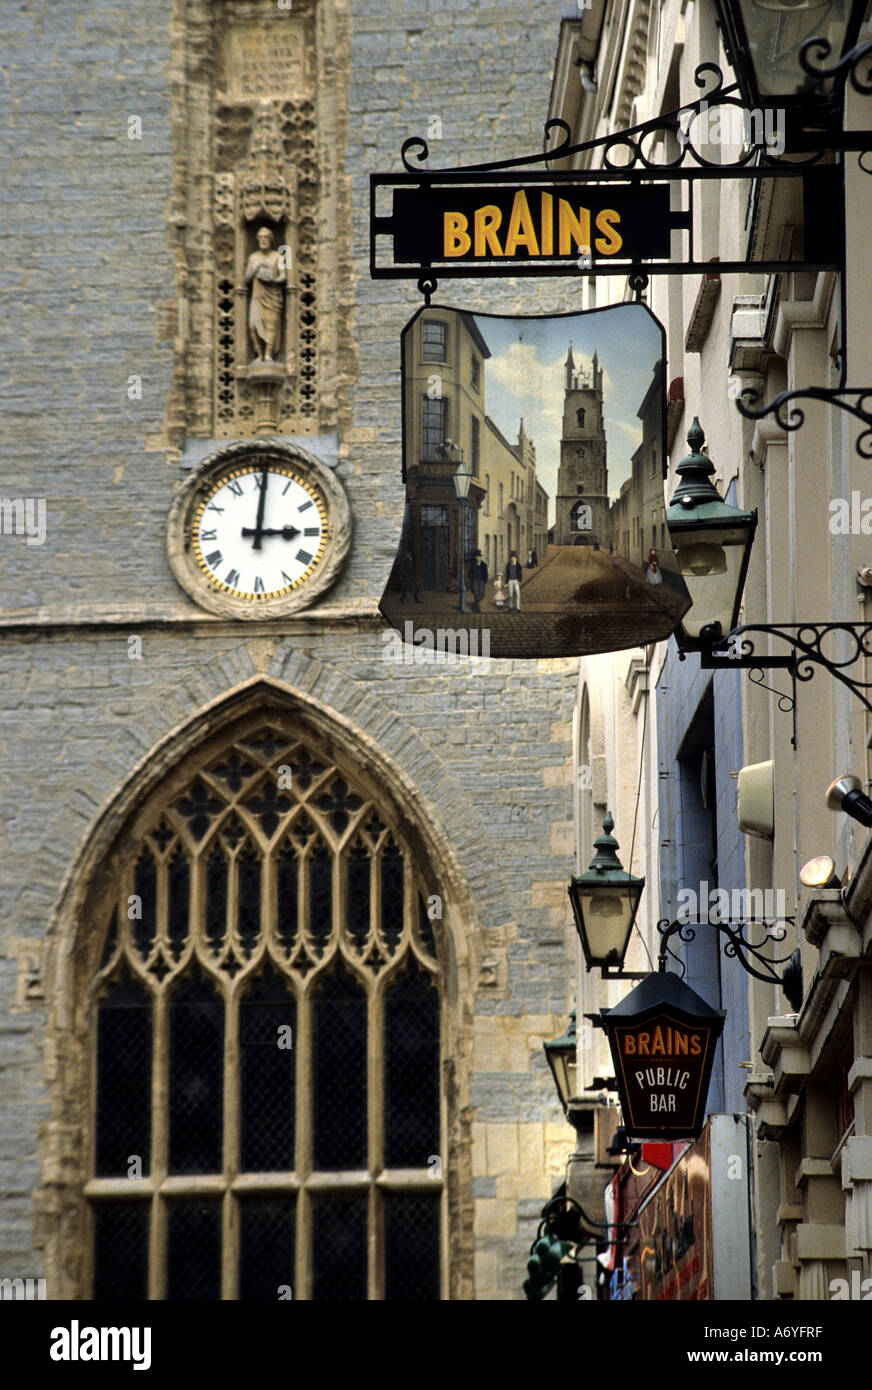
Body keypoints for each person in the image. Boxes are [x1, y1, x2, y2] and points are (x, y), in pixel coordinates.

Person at [245, 227, 286, 362]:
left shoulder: (278, 255)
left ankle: (268, 354)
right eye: (260, 237)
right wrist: (256, 268)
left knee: (271, 324)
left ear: (270, 239)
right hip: (257, 295)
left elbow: (283, 276)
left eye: (265, 237)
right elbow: (246, 279)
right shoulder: (253, 257)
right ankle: (258, 353)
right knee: (253, 325)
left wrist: (273, 279)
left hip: (273, 294)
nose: (263, 240)